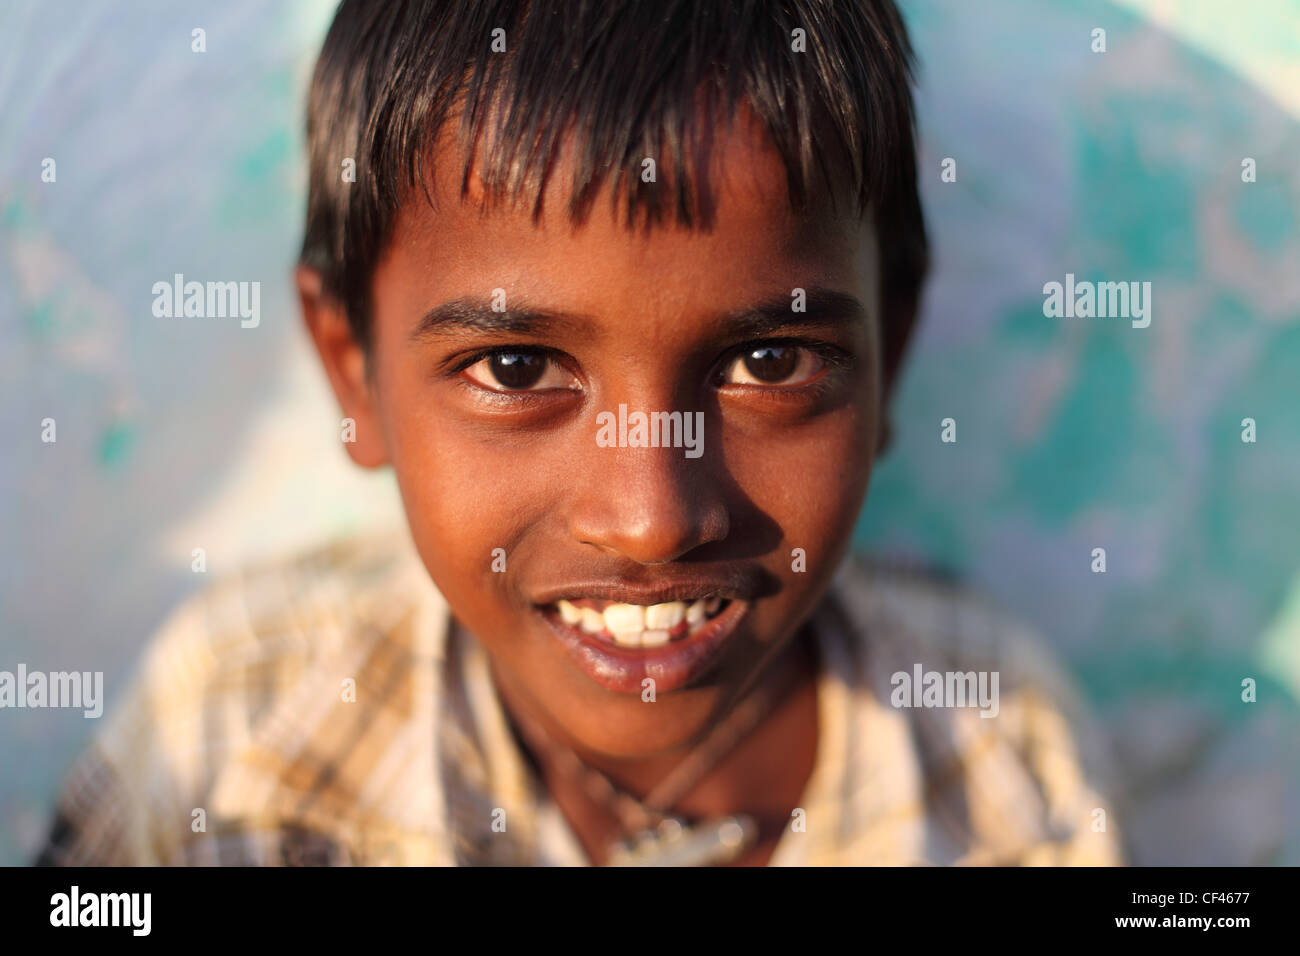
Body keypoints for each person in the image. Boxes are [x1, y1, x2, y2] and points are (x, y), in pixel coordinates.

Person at [35, 0, 1123, 867]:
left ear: (892, 348)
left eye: (770, 361)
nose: (652, 519)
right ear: (351, 369)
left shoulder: (995, 751)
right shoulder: (231, 738)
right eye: (515, 368)